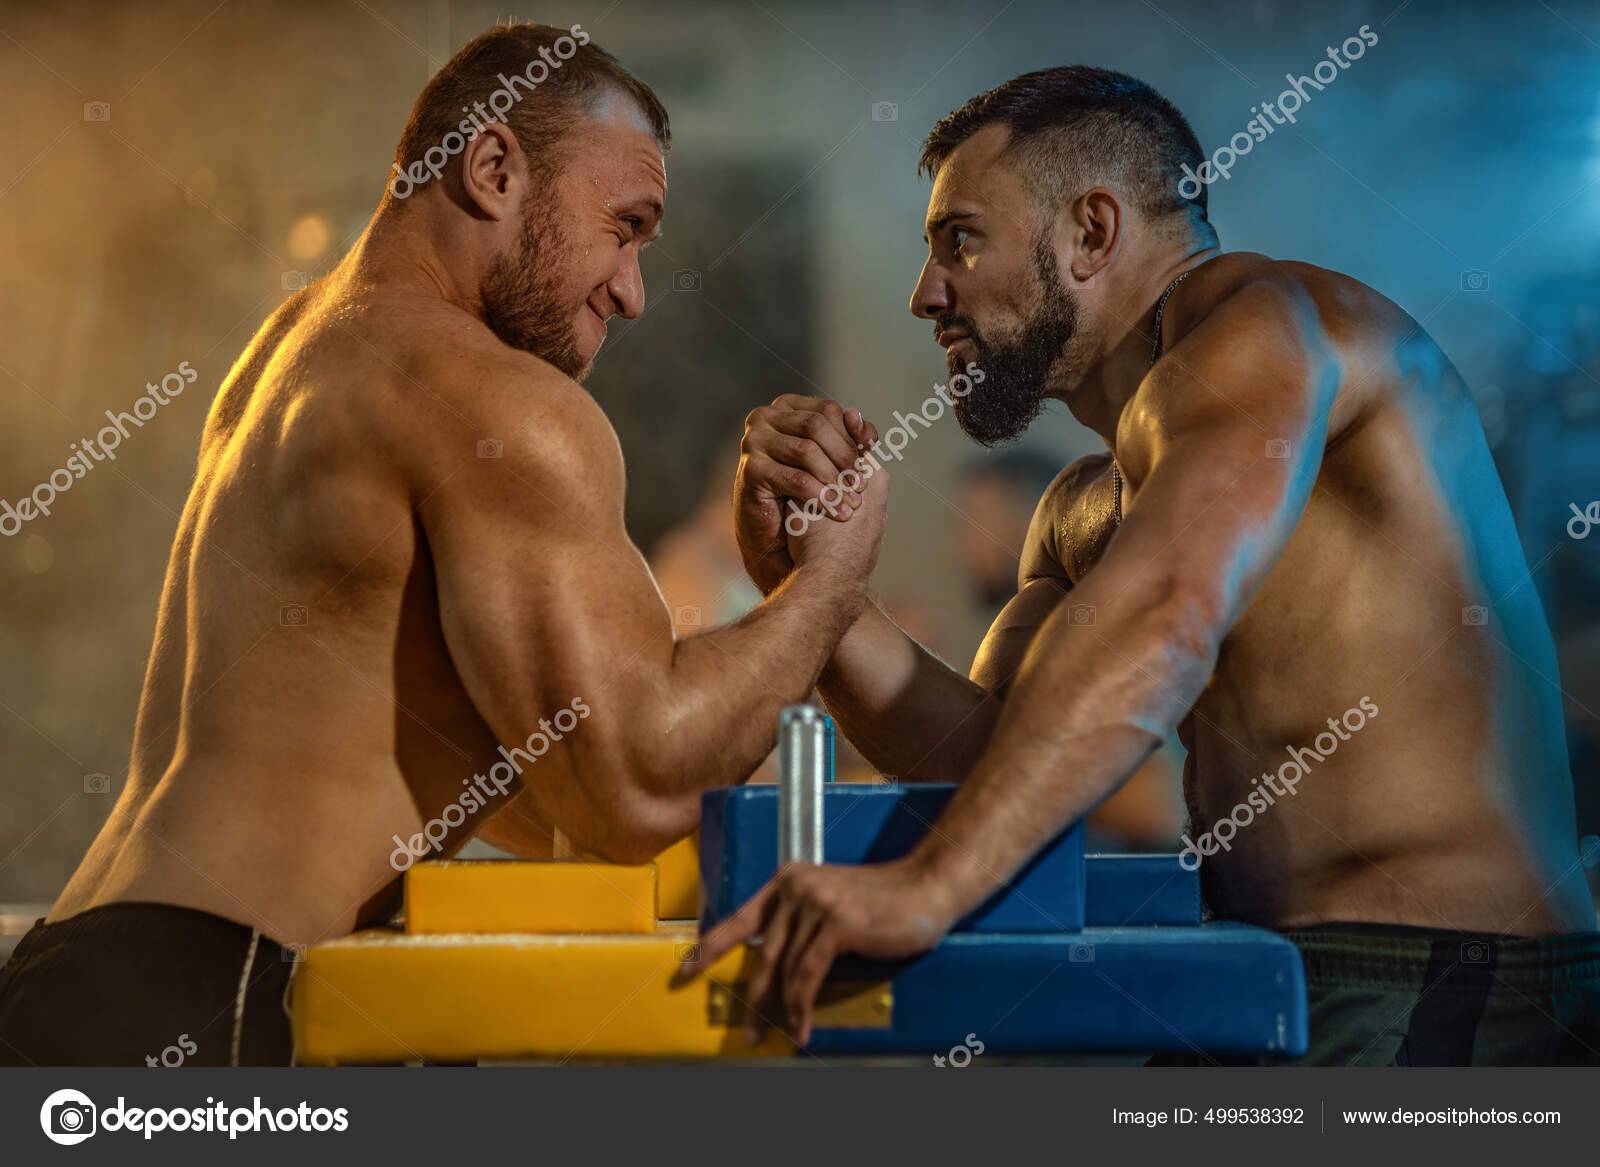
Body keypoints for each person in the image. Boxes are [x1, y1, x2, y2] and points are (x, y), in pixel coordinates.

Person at [0, 22, 886, 1067]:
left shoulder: (294, 354)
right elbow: (634, 789)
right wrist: (824, 587)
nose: (633, 292)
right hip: (213, 1004)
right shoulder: (493, 399)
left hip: (83, 978)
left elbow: (524, 773)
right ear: (494, 167)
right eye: (625, 226)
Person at [695, 65, 1600, 1066]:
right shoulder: (1088, 502)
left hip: (1452, 983)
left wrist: (925, 888)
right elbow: (989, 771)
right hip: (1280, 971)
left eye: (958, 242)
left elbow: (1170, 610)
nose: (925, 296)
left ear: (1091, 231)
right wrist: (811, 590)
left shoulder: (1267, 330)